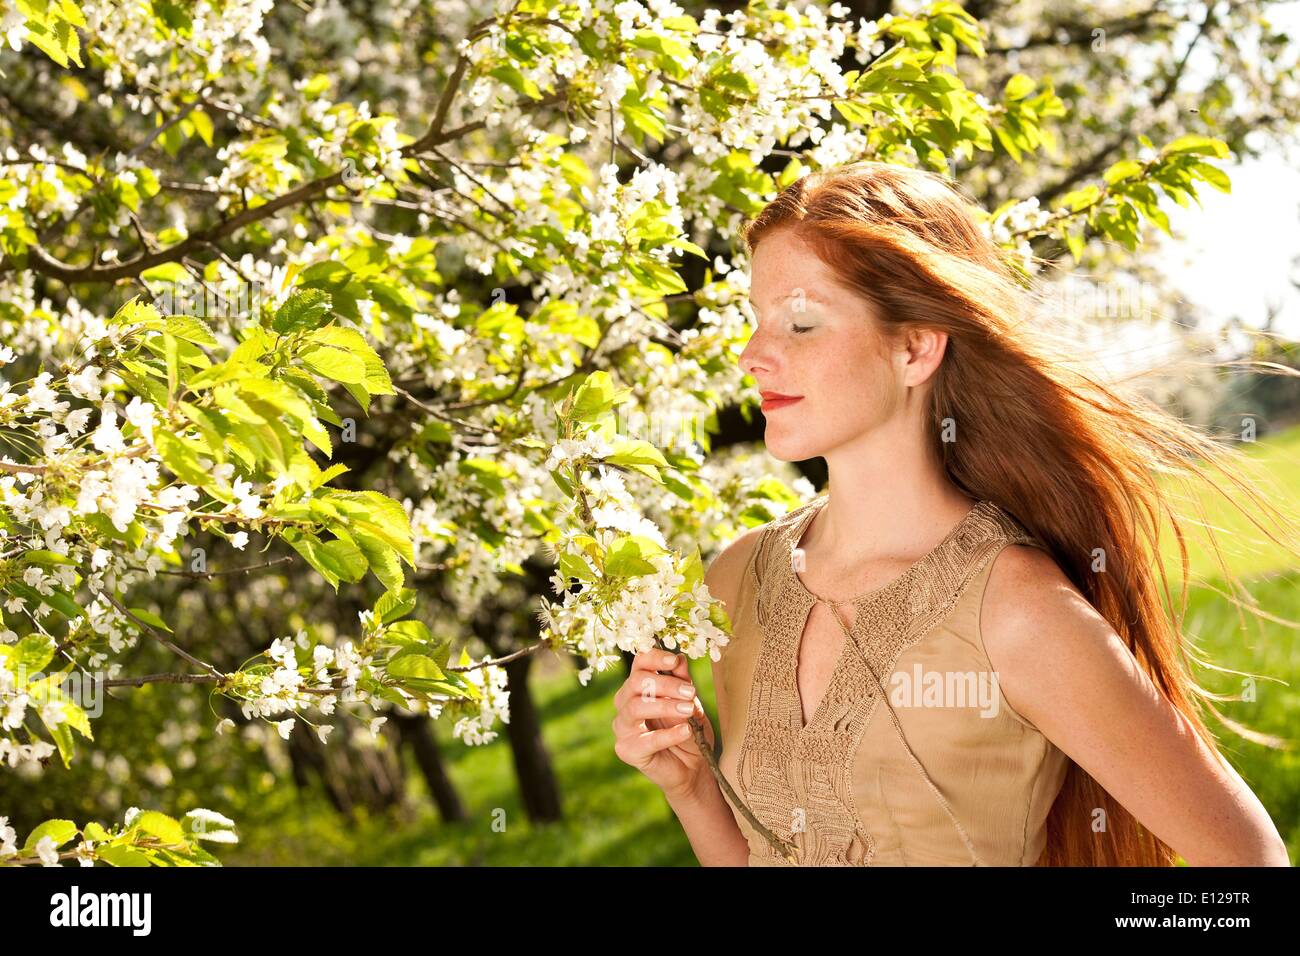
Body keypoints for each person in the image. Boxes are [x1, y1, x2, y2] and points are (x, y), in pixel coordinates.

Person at [611, 160, 1293, 866]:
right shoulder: (736, 582)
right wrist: (691, 788)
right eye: (757, 321)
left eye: (801, 321)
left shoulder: (1017, 609)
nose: (753, 355)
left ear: (915, 348)